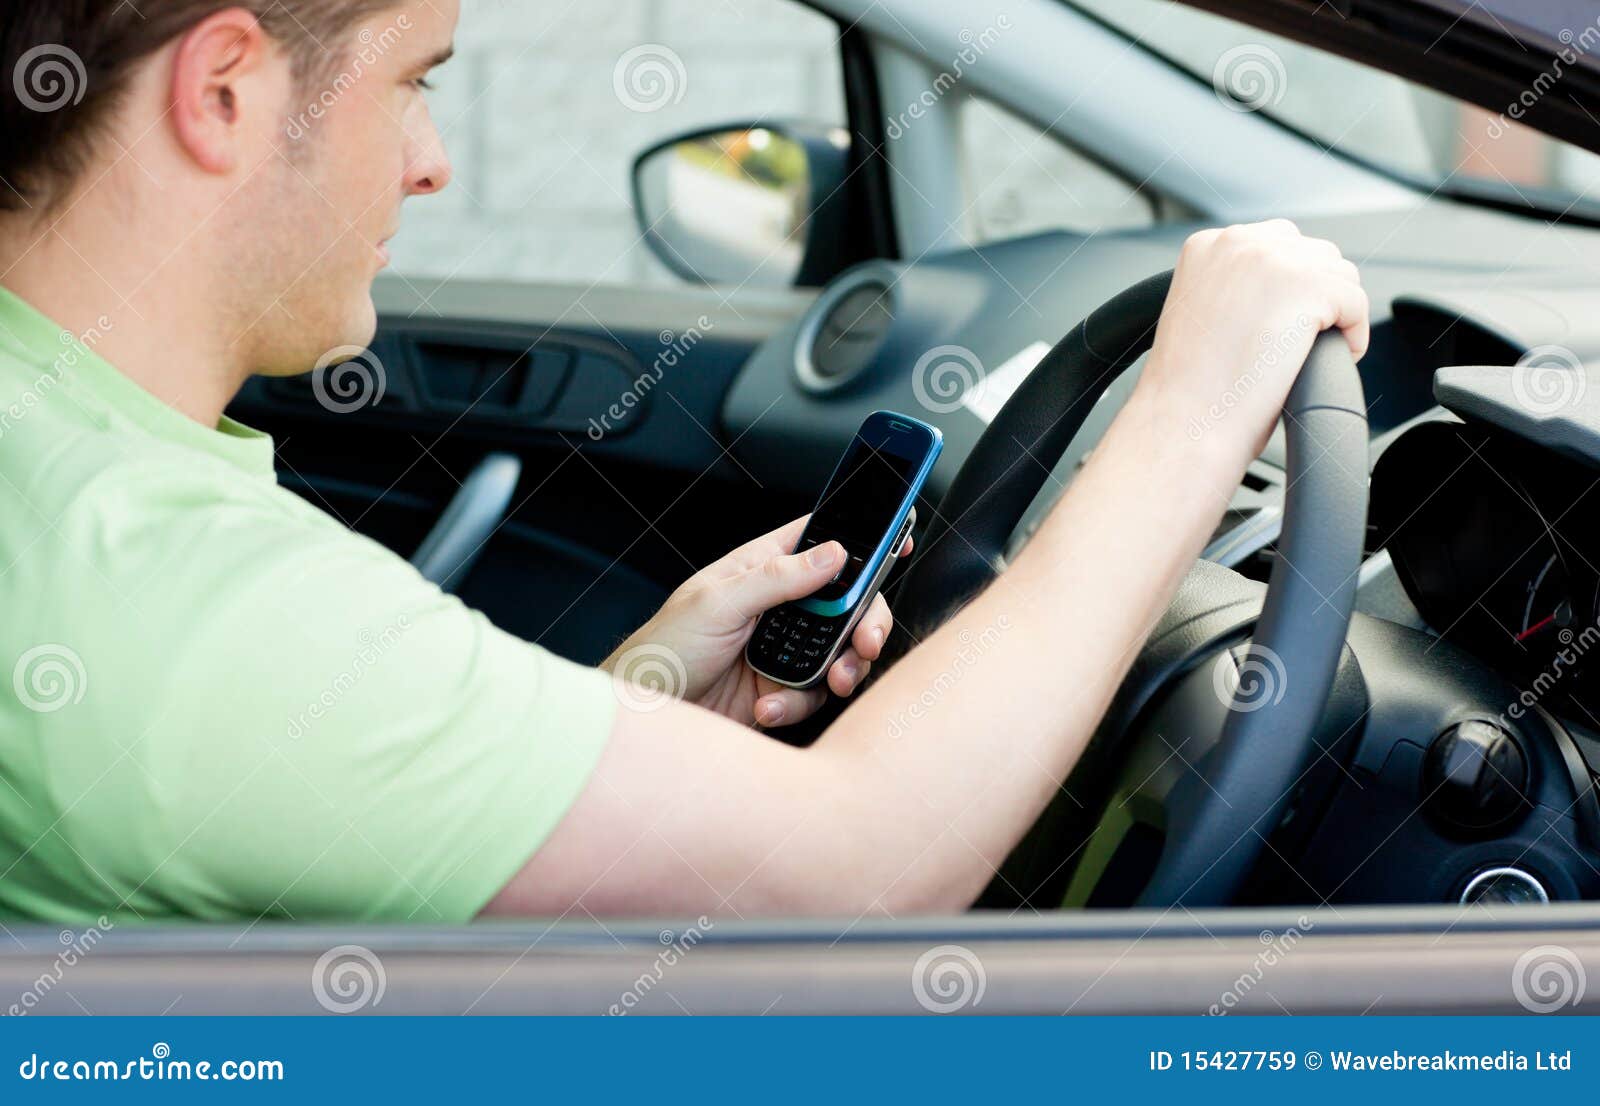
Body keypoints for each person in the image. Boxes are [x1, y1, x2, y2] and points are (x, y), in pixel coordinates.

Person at [0, 0, 1368, 924]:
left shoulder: (70, 470)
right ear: (225, 91)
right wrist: (1196, 408)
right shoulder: (177, 593)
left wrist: (643, 696)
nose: (431, 164)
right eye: (415, 81)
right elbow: (861, 867)